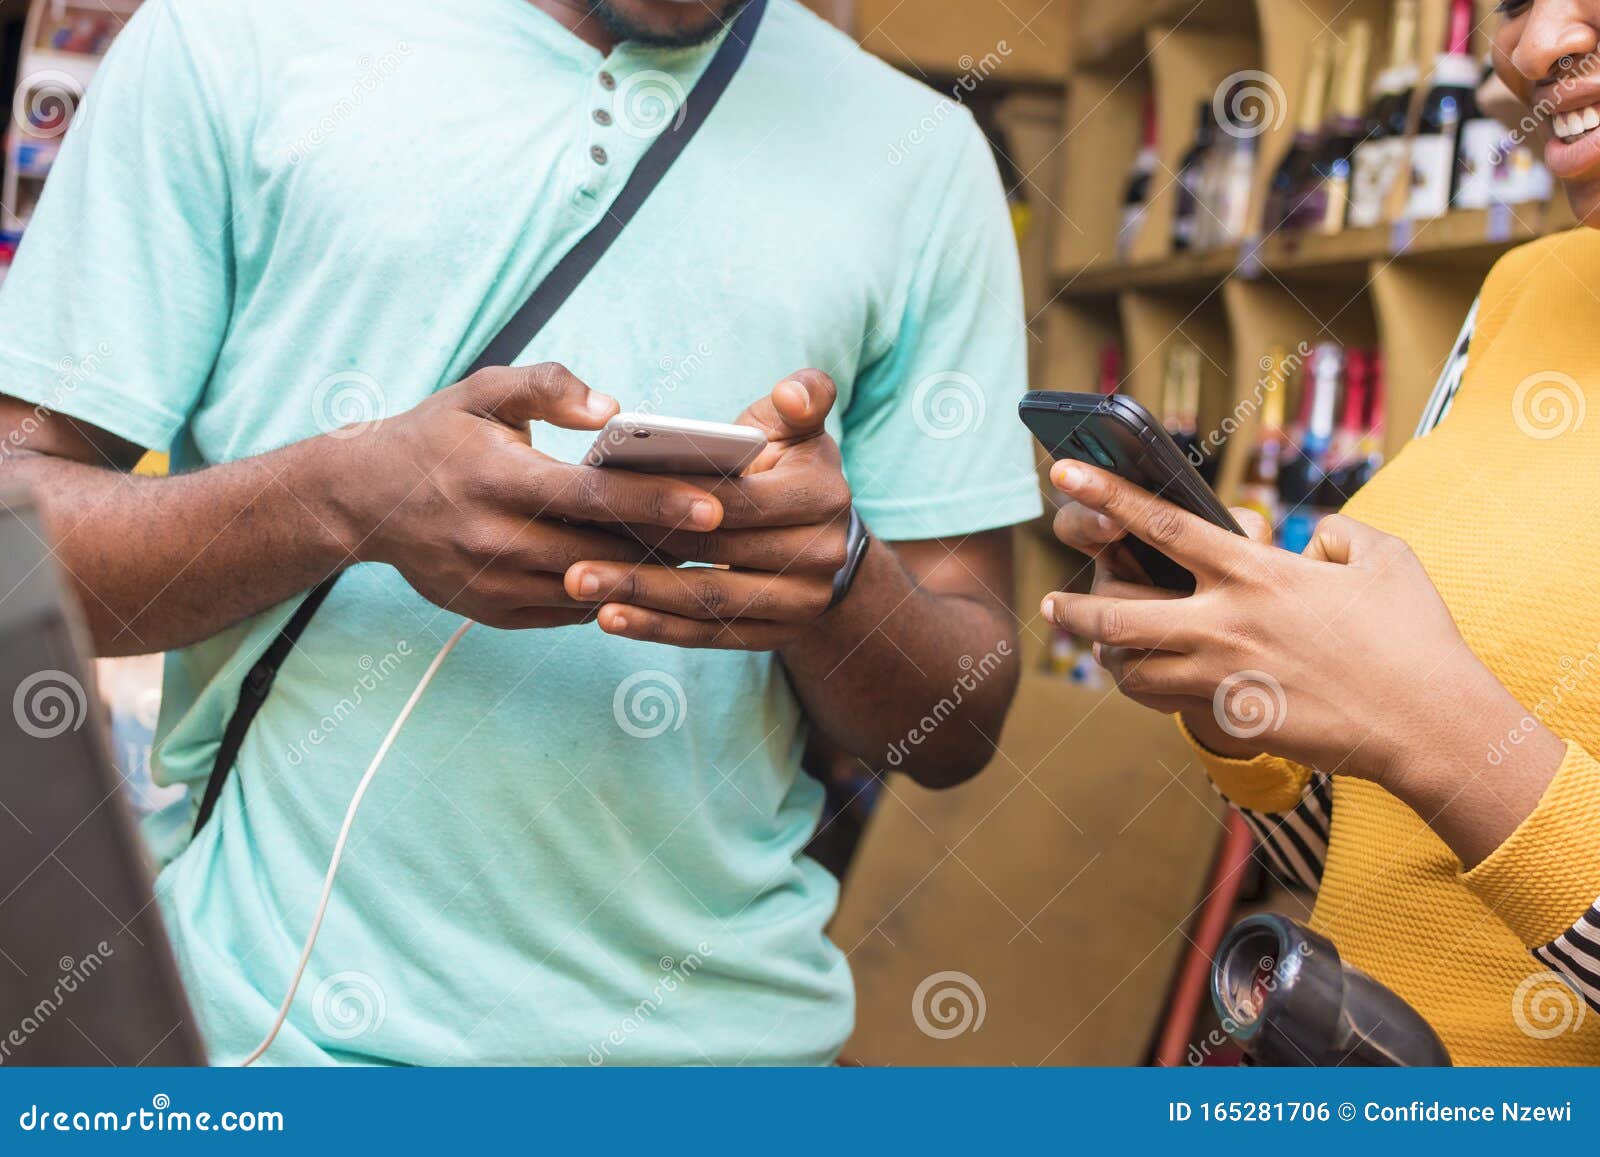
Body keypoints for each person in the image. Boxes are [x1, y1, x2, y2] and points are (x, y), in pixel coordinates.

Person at [0, 0, 1041, 1064]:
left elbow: (960, 723)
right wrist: (342, 500)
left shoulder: (921, 157)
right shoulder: (227, 38)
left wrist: (841, 576)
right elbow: (10, 542)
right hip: (276, 1042)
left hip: (736, 1058)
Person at [1047, 0, 1600, 1064]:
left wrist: (1437, 729)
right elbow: (1356, 848)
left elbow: (1429, 742)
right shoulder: (1524, 288)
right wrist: (1241, 687)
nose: (1532, 48)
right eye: (1512, 5)